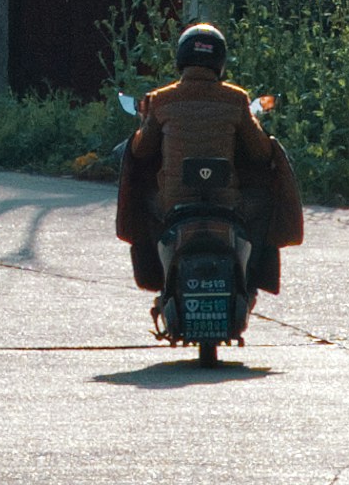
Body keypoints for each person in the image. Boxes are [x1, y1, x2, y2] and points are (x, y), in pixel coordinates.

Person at [117, 22, 302, 295]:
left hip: (174, 205)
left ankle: (160, 276)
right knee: (264, 203)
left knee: (144, 203)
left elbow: (141, 151)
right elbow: (261, 153)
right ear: (220, 61)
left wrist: (145, 125)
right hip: (226, 204)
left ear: (181, 59)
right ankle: (250, 279)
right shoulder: (236, 99)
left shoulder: (161, 100)